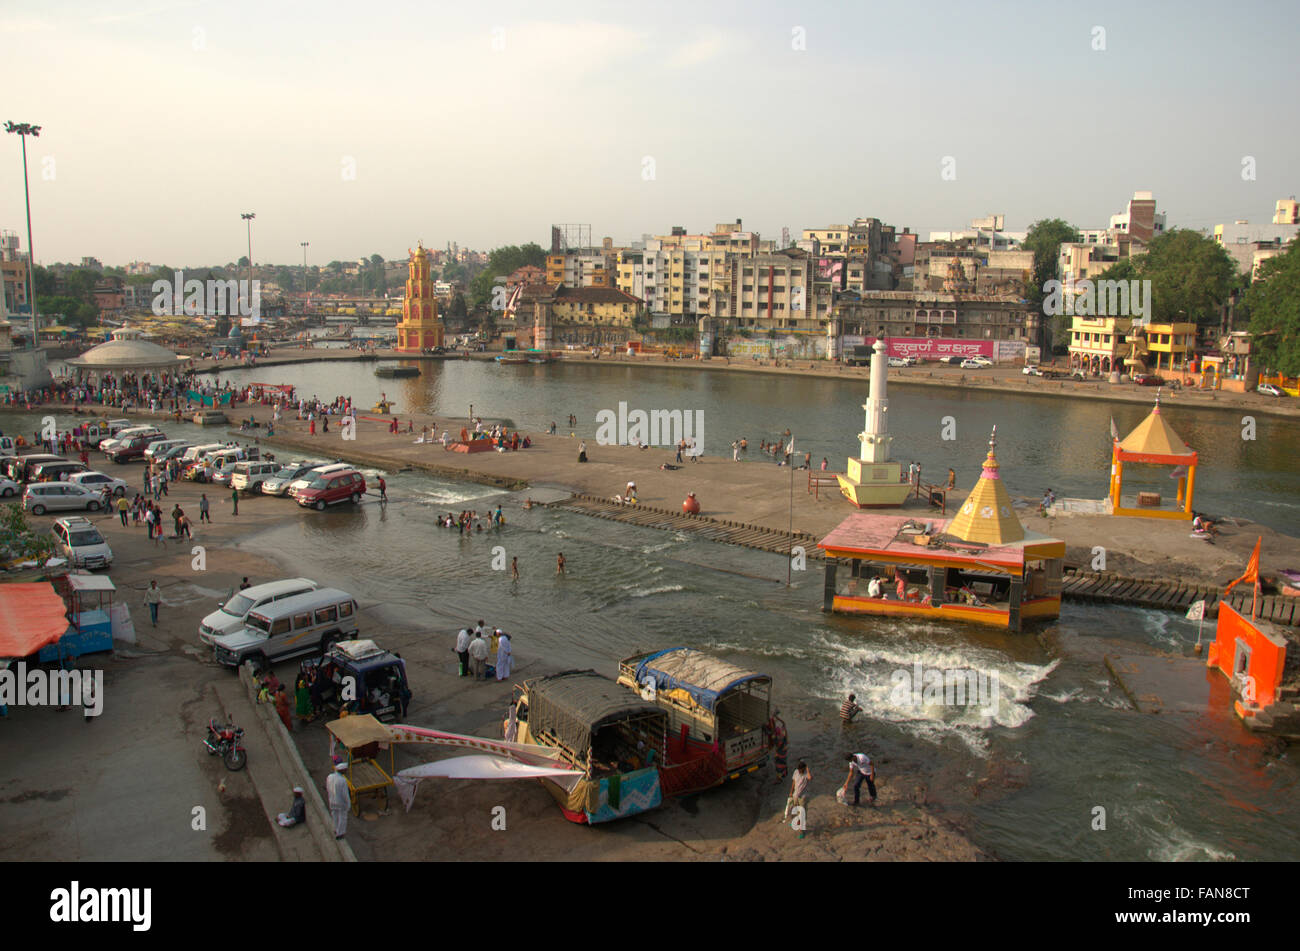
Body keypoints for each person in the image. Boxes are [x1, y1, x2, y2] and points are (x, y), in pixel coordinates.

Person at [784, 760, 812, 838]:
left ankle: (801, 831)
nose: (800, 771)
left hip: (803, 797)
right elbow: (793, 782)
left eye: (801, 770)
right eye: (799, 769)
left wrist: (807, 769)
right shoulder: (796, 772)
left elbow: (810, 778)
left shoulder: (806, 774)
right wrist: (791, 792)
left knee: (802, 813)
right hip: (795, 795)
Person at [326, 761, 350, 839]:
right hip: (340, 802)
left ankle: (336, 829)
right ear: (342, 770)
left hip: (332, 800)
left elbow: (327, 788)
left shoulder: (330, 776)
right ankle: (340, 833)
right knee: (342, 817)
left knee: (335, 815)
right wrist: (348, 804)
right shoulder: (342, 780)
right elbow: (345, 795)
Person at [771, 713, 789, 780]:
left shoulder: (776, 739)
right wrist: (777, 718)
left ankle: (779, 777)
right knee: (782, 764)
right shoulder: (784, 735)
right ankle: (782, 774)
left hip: (779, 755)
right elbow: (783, 723)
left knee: (778, 766)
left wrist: (773, 719)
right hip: (784, 754)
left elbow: (772, 730)